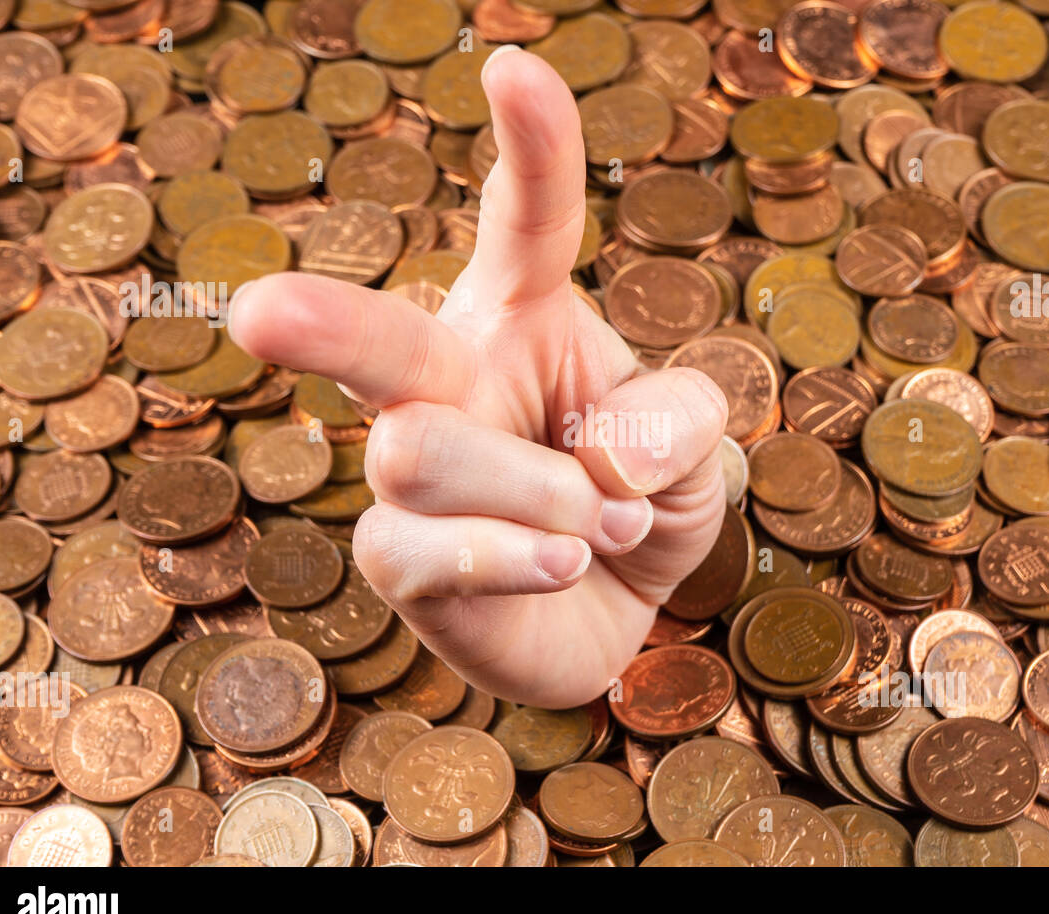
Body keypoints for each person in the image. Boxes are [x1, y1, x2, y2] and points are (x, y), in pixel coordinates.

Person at [228, 46, 728, 709]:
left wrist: (655, 574)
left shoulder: (658, 512)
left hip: (645, 580)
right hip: (588, 622)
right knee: (414, 453)